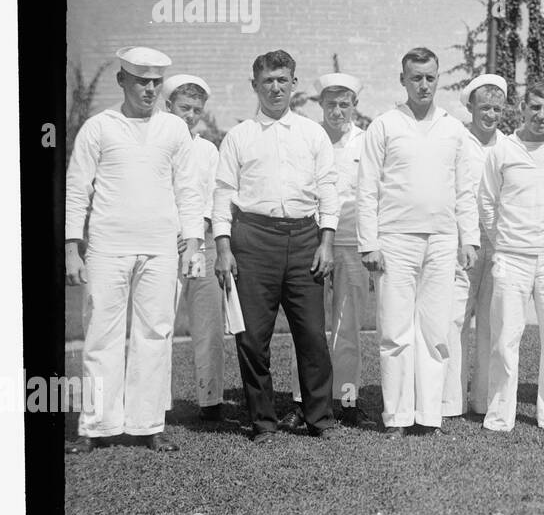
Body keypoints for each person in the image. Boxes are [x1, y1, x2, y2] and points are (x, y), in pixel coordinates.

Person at [65, 48, 205, 453]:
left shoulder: (175, 130)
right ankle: (95, 427)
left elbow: (189, 192)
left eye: (156, 81)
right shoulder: (98, 127)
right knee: (101, 334)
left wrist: (192, 246)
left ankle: (147, 424)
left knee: (155, 333)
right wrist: (73, 249)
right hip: (108, 247)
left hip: (161, 248)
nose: (149, 88)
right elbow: (77, 190)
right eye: (141, 80)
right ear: (122, 81)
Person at [213, 49, 341, 443]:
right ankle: (263, 422)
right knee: (252, 337)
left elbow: (328, 190)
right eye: (267, 80)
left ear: (294, 84)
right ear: (255, 85)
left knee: (313, 335)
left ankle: (319, 418)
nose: (275, 87)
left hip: (305, 238)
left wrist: (327, 243)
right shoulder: (239, 137)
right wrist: (223, 248)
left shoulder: (311, 133)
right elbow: (222, 195)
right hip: (252, 240)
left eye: (282, 79)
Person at [357, 48, 478, 440]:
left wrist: (468, 239)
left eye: (429, 77)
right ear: (403, 80)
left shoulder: (452, 128)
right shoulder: (385, 125)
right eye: (415, 78)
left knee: (435, 331)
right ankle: (396, 417)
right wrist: (369, 243)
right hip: (395, 241)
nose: (423, 84)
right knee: (395, 333)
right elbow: (367, 189)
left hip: (442, 241)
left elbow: (465, 189)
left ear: (438, 77)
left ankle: (428, 416)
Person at [478, 80, 544, 433]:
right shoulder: (501, 151)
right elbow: (487, 204)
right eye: (535, 107)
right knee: (505, 338)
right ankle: (499, 416)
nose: (541, 115)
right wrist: (504, 241)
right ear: (522, 108)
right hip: (510, 257)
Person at [284, 73, 372, 428]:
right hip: (314, 242)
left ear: (354, 106)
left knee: (348, 327)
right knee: (307, 327)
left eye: (344, 104)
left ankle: (347, 398)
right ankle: (300, 400)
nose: (337, 111)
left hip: (352, 243)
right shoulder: (307, 138)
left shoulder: (367, 142)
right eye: (331, 104)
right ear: (320, 105)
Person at [160, 73, 226, 423]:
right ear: (168, 105)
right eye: (184, 107)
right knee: (160, 324)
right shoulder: (155, 144)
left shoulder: (207, 150)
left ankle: (210, 399)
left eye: (196, 110)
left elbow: (215, 199)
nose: (190, 115)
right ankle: (156, 403)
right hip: (163, 244)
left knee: (208, 325)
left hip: (201, 246)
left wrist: (201, 234)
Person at [444, 72, 506, 418]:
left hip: (497, 242)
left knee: (490, 321)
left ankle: (482, 400)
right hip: (461, 243)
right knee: (454, 319)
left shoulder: (508, 146)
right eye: (484, 107)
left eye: (497, 108)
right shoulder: (457, 141)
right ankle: (450, 401)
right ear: (471, 107)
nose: (490, 115)